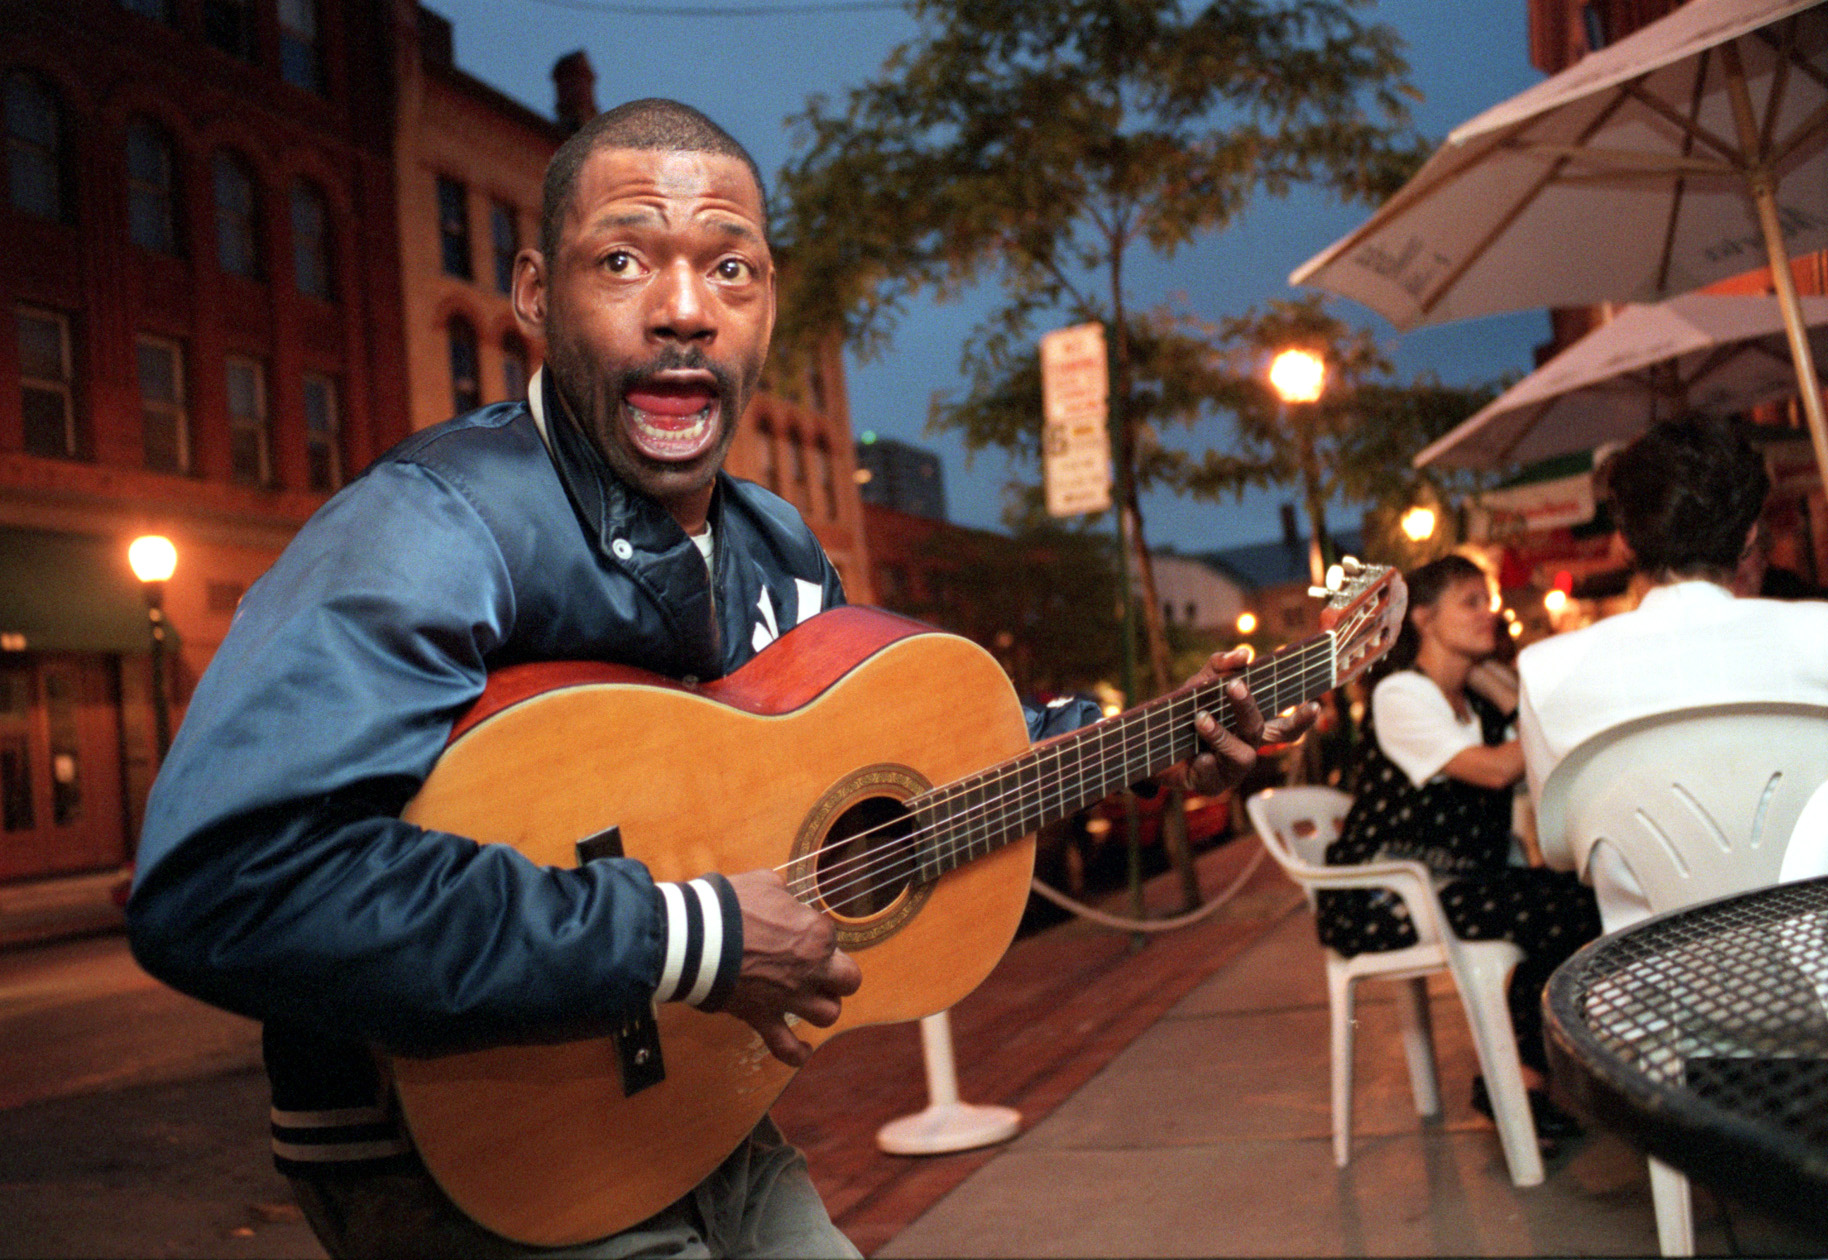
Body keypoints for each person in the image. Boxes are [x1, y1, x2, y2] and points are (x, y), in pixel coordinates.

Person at [126, 98, 1311, 1259]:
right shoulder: (434, 527)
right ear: (537, 296)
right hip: (473, 1156)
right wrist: (684, 937)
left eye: (730, 270)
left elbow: (916, 746)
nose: (685, 310)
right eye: (626, 259)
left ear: (769, 302)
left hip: (698, 1111)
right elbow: (224, 881)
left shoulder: (779, 547)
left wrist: (1151, 738)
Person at [1316, 554, 1600, 1147]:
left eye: (1488, 599)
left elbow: (1529, 744)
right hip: (1385, 897)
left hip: (1463, 884)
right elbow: (1497, 772)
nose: (1488, 612)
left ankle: (1520, 1080)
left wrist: (1493, 682)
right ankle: (1520, 1080)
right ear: (1422, 618)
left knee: (1585, 896)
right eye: (1470, 601)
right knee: (1571, 907)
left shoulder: (1473, 698)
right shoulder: (1400, 695)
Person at [1518, 416, 1828, 930]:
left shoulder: (1547, 671)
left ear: (1625, 541)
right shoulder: (1820, 634)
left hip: (1651, 994)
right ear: (1750, 533)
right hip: (1816, 979)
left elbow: (1558, 847)